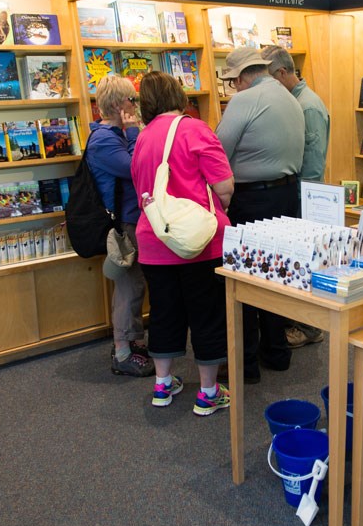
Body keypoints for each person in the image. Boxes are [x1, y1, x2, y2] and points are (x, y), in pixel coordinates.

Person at [131, 73, 235, 414]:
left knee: (163, 313)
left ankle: (162, 384)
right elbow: (224, 185)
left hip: (155, 241)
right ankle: (207, 392)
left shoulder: (142, 138)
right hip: (200, 243)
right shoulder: (194, 129)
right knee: (206, 313)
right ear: (178, 94)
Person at [215, 46, 304, 382]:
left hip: (252, 200)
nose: (233, 87)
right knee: (276, 276)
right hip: (286, 195)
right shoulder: (288, 96)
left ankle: (245, 364)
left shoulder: (243, 101)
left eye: (233, 81)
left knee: (246, 282)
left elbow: (217, 152)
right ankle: (277, 351)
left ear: (241, 77)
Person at [263, 44, 331, 348]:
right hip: (293, 195)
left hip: (305, 198)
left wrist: (301, 207)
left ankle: (309, 327)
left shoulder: (308, 107)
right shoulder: (291, 103)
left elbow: (313, 166)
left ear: (280, 73)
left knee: (305, 262)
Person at [87, 76, 153, 378]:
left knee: (135, 284)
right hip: (124, 222)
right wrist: (136, 131)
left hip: (133, 216)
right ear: (117, 104)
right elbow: (134, 167)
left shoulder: (114, 134)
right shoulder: (103, 139)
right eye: (131, 100)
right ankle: (123, 352)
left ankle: (132, 342)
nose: (134, 105)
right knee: (129, 286)